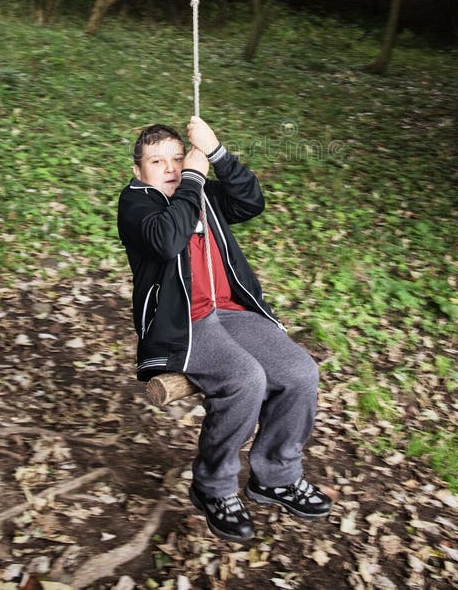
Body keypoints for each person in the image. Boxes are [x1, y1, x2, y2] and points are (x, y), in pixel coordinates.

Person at [117, 116, 332, 541]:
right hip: (184, 323)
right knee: (245, 379)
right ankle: (213, 486)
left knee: (300, 373)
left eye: (178, 159)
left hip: (232, 311)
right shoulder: (135, 203)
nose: (172, 168)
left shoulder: (203, 193)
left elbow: (252, 202)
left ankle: (276, 476)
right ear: (138, 170)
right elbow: (166, 240)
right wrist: (194, 178)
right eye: (158, 161)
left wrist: (216, 154)